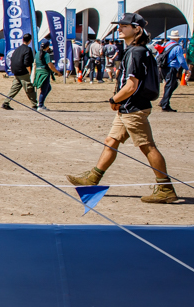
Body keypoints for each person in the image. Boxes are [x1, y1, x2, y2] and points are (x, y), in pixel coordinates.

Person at [67, 13, 177, 204]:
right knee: (111, 141)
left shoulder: (136, 52)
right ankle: (93, 178)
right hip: (129, 107)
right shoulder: (139, 50)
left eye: (124, 26)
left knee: (147, 146)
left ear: (136, 29)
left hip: (133, 107)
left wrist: (114, 99)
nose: (120, 28)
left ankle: (165, 187)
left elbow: (131, 86)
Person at [3, 33, 36, 109]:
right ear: (30, 40)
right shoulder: (28, 49)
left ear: (22, 39)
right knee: (29, 88)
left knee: (14, 88)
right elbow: (27, 63)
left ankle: (6, 102)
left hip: (15, 71)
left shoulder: (17, 49)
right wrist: (30, 73)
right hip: (23, 72)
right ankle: (35, 104)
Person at [157, 30, 187, 112]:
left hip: (162, 67)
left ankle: (164, 101)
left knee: (172, 84)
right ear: (178, 38)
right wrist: (187, 69)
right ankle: (165, 104)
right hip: (171, 68)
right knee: (170, 85)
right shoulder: (178, 47)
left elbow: (157, 56)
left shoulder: (164, 45)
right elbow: (181, 60)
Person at [34, 38, 57, 111]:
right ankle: (40, 105)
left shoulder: (37, 54)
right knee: (44, 89)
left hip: (38, 72)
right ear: (47, 47)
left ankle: (40, 103)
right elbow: (50, 65)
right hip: (44, 73)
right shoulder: (46, 55)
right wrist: (57, 72)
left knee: (47, 88)